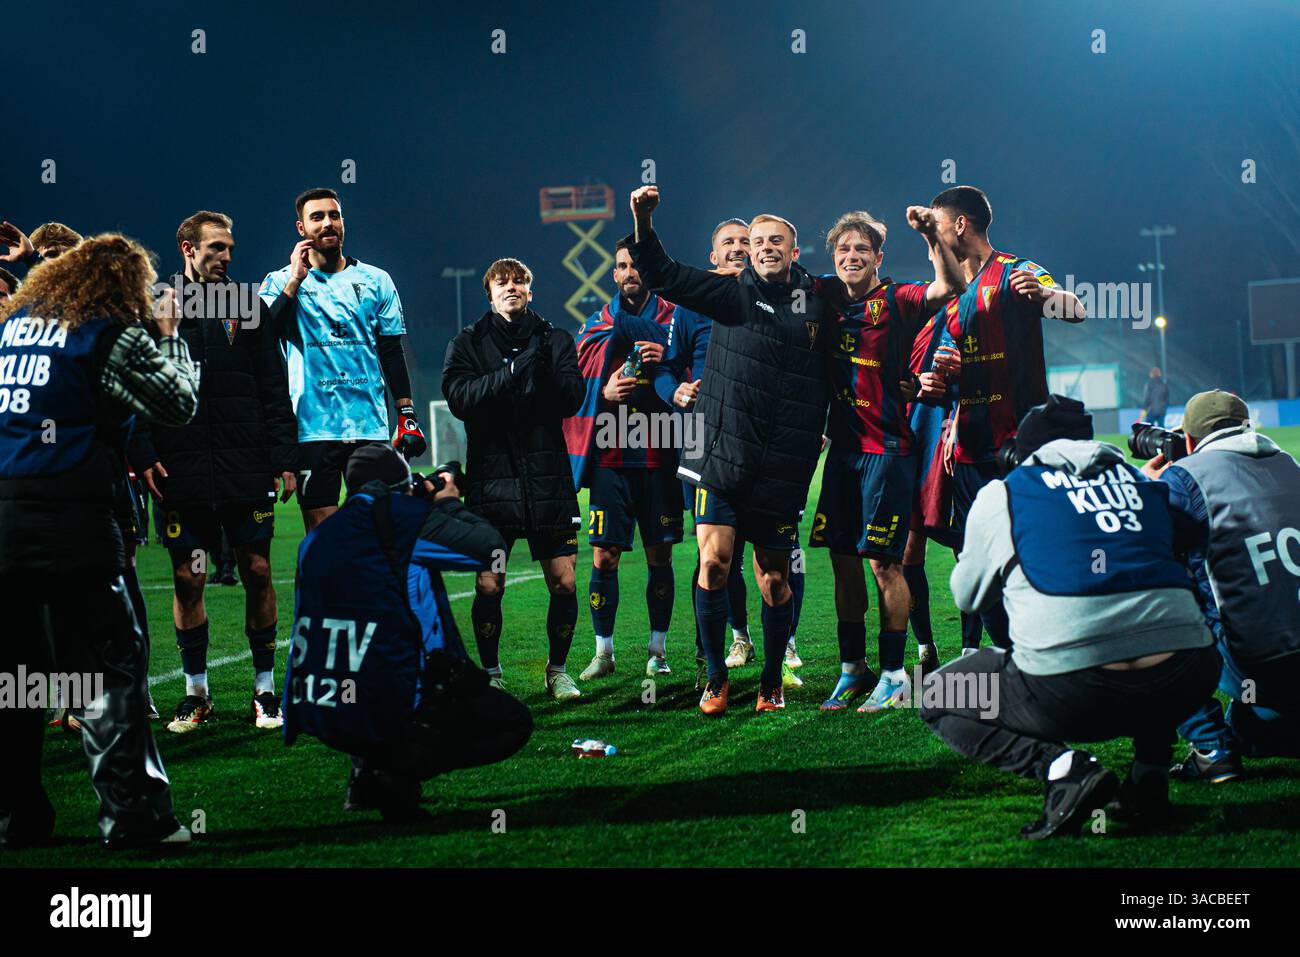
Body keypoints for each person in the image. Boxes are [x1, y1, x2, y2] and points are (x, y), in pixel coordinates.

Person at [921, 396, 1219, 838]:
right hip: (1188, 675)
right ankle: (1149, 776)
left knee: (938, 694)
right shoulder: (1145, 485)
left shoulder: (1004, 493)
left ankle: (1066, 770)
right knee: (1148, 627)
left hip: (1073, 692)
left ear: (1019, 454)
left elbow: (967, 596)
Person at [0, 234, 200, 848]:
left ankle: (17, 821)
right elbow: (177, 403)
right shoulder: (106, 331)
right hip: (71, 522)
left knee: (15, 682)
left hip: (4, 522)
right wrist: (169, 335)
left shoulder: (14, 329)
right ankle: (135, 819)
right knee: (105, 676)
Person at [626, 185, 837, 714]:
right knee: (715, 563)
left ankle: (770, 683)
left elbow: (863, 336)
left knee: (773, 576)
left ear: (793, 250)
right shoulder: (731, 293)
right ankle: (716, 677)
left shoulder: (819, 300)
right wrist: (643, 220)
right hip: (718, 454)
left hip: (781, 466)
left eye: (776, 240)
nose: (764, 247)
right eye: (758, 240)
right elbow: (665, 274)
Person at [285, 445, 532, 822]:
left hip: (319, 701)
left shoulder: (320, 535)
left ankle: (365, 768)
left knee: (375, 642)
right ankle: (393, 772)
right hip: (386, 696)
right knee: (512, 722)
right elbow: (492, 551)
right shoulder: (402, 519)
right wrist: (446, 501)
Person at [130, 211, 299, 734]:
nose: (226, 257)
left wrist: (283, 455)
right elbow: (136, 380)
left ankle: (265, 691)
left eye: (230, 248)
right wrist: (142, 449)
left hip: (244, 463)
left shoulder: (246, 305)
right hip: (181, 468)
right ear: (187, 248)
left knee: (257, 570)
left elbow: (273, 384)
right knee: (188, 577)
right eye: (216, 248)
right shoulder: (158, 304)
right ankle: (195, 693)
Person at [810, 208, 964, 712]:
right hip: (844, 452)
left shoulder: (897, 298)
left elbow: (951, 284)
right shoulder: (825, 297)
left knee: (884, 563)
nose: (851, 257)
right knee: (842, 561)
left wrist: (929, 237)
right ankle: (853, 669)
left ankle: (896, 674)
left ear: (878, 257)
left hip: (888, 450)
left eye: (861, 250)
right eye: (843, 251)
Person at [923, 185, 1086, 656]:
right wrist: (942, 390)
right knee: (973, 549)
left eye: (936, 226)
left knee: (1030, 542)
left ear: (960, 224)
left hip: (1020, 440)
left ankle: (1046, 639)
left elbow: (1077, 310)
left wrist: (1046, 294)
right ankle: (982, 649)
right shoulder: (948, 291)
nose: (932, 237)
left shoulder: (1016, 270)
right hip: (969, 442)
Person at [442, 258, 586, 702]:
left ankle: (558, 671)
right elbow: (460, 399)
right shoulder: (467, 343)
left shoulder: (556, 340)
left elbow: (572, 398)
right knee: (490, 583)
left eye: (520, 280)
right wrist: (510, 373)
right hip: (493, 486)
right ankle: (490, 672)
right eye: (502, 282)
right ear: (489, 293)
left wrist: (538, 368)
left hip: (548, 485)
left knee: (563, 582)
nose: (512, 287)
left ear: (531, 289)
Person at [1144, 390, 1300, 781]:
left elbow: (1140, 543)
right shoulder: (1291, 465)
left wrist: (1147, 488)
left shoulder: (1186, 478)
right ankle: (1260, 728)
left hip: (1259, 662)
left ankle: (1212, 748)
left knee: (1152, 608)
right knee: (1252, 724)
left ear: (1190, 441)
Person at [259, 187, 426, 532]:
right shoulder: (278, 281)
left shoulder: (376, 280)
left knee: (376, 529)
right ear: (301, 229)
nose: (327, 223)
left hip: (369, 425)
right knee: (324, 535)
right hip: (312, 429)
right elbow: (263, 336)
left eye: (334, 215)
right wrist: (295, 280)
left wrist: (406, 414)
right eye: (317, 217)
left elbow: (391, 351)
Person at [566, 239, 681, 679]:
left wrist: (663, 369)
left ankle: (658, 651)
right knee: (604, 557)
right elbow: (576, 382)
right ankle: (604, 652)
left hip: (659, 455)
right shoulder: (597, 323)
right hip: (611, 458)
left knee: (660, 557)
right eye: (621, 266)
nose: (629, 272)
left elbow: (690, 367)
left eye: (635, 265)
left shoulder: (675, 319)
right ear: (613, 275)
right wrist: (604, 392)